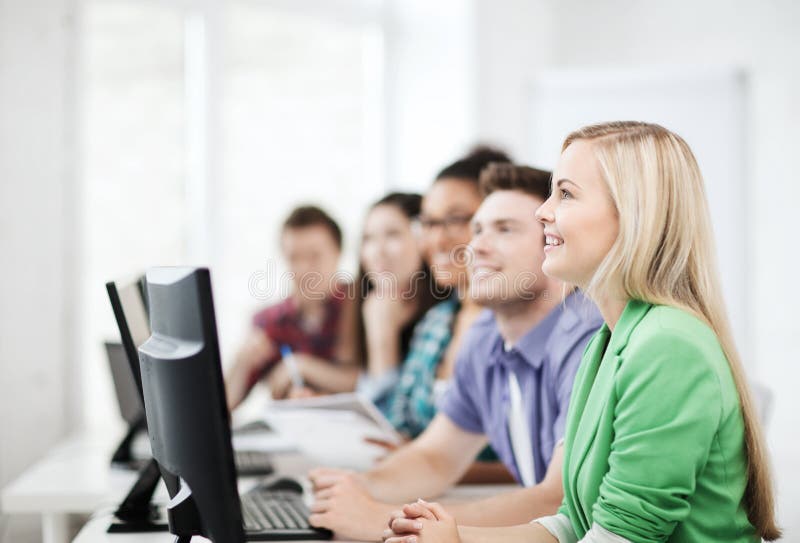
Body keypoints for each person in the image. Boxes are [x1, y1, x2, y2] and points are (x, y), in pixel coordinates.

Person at [385, 122, 781, 542]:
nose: (543, 212)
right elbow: (574, 523)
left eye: (566, 194)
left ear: (632, 214)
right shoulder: (608, 342)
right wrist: (456, 537)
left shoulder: (667, 345)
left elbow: (619, 536)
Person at [308, 163, 603, 542]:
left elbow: (560, 502)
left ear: (553, 240)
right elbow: (436, 457)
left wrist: (382, 518)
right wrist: (355, 488)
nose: (474, 246)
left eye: (505, 229)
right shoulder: (484, 336)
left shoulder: (588, 333)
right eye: (477, 228)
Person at [378, 146, 513, 433]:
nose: (436, 240)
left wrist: (413, 458)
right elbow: (397, 425)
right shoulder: (436, 321)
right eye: (427, 223)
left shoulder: (520, 325)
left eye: (455, 220)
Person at [225, 205, 350, 409]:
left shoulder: (359, 311)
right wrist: (242, 362)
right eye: (293, 257)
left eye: (314, 256)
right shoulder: (269, 323)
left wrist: (301, 366)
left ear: (338, 254)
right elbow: (224, 408)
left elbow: (374, 381)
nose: (302, 269)